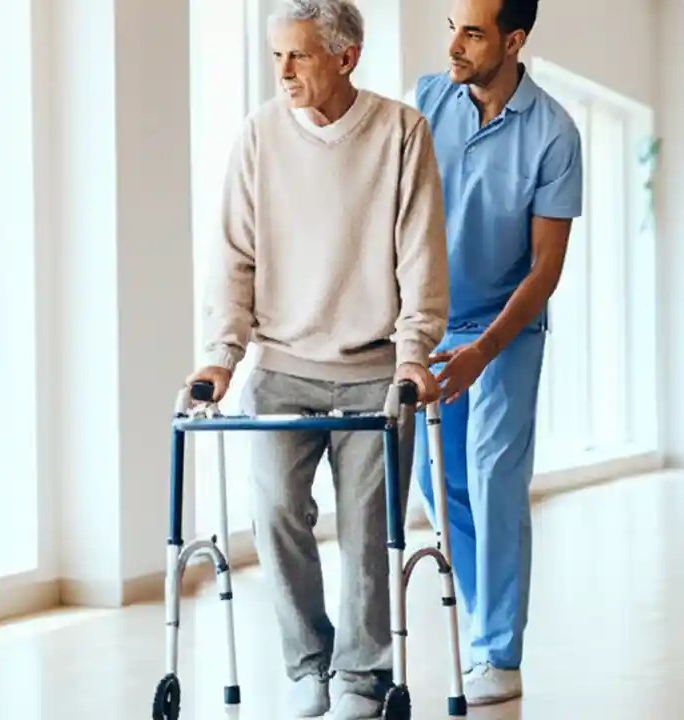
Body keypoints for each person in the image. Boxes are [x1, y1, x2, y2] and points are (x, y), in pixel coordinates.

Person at [186, 1, 449, 716]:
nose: (284, 72)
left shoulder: (401, 132)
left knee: (369, 529)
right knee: (274, 511)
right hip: (280, 363)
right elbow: (233, 259)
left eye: (298, 56)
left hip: (371, 369)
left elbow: (421, 257)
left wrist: (414, 354)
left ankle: (362, 678)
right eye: (277, 57)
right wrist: (221, 357)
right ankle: (310, 666)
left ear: (346, 56)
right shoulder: (259, 137)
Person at [407, 0, 583, 706]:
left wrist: (483, 349)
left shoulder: (554, 133)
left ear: (513, 41)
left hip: (508, 329)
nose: (454, 46)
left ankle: (499, 651)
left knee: (494, 477)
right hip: (431, 325)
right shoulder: (427, 101)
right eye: (451, 27)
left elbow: (544, 270)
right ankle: (486, 617)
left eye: (472, 33)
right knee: (437, 482)